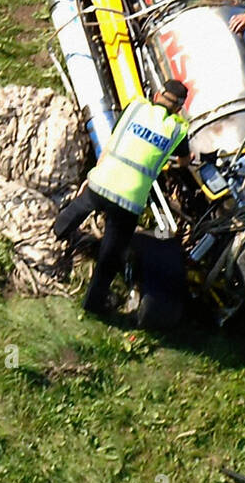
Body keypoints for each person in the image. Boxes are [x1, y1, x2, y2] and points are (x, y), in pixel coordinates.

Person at [53, 80, 191, 313]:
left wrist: (95, 172)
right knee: (110, 254)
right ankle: (93, 304)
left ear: (157, 95)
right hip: (129, 200)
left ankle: (55, 236)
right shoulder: (178, 129)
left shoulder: (135, 107)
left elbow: (114, 139)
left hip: (103, 179)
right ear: (178, 108)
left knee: (78, 208)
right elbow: (184, 161)